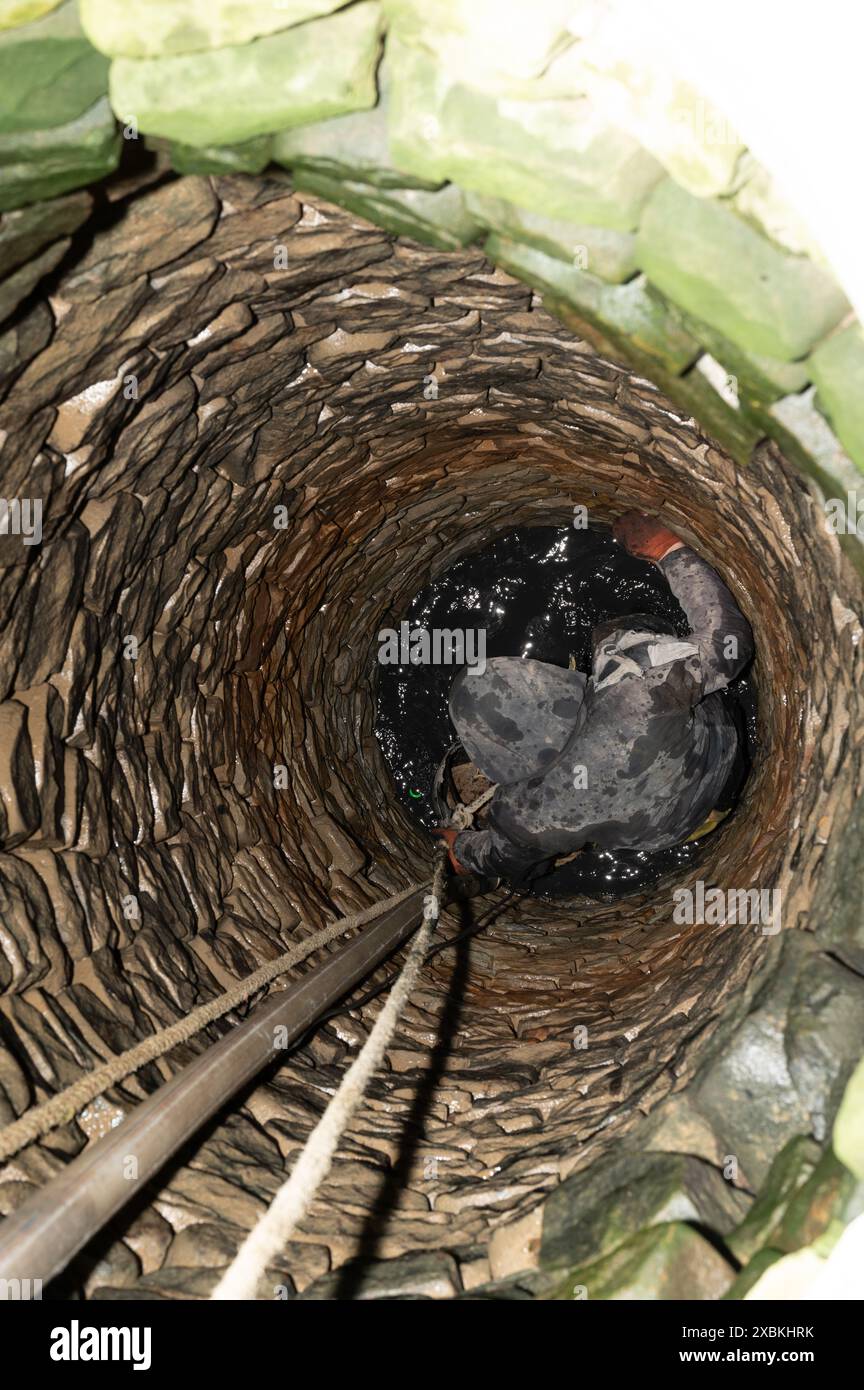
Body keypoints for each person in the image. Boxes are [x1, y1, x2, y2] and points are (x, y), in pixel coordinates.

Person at [434, 511, 753, 883]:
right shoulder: (639, 690)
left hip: (677, 833)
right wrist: (670, 551)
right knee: (621, 636)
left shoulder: (517, 816)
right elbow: (731, 645)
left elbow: (502, 861)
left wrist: (460, 849)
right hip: (725, 767)